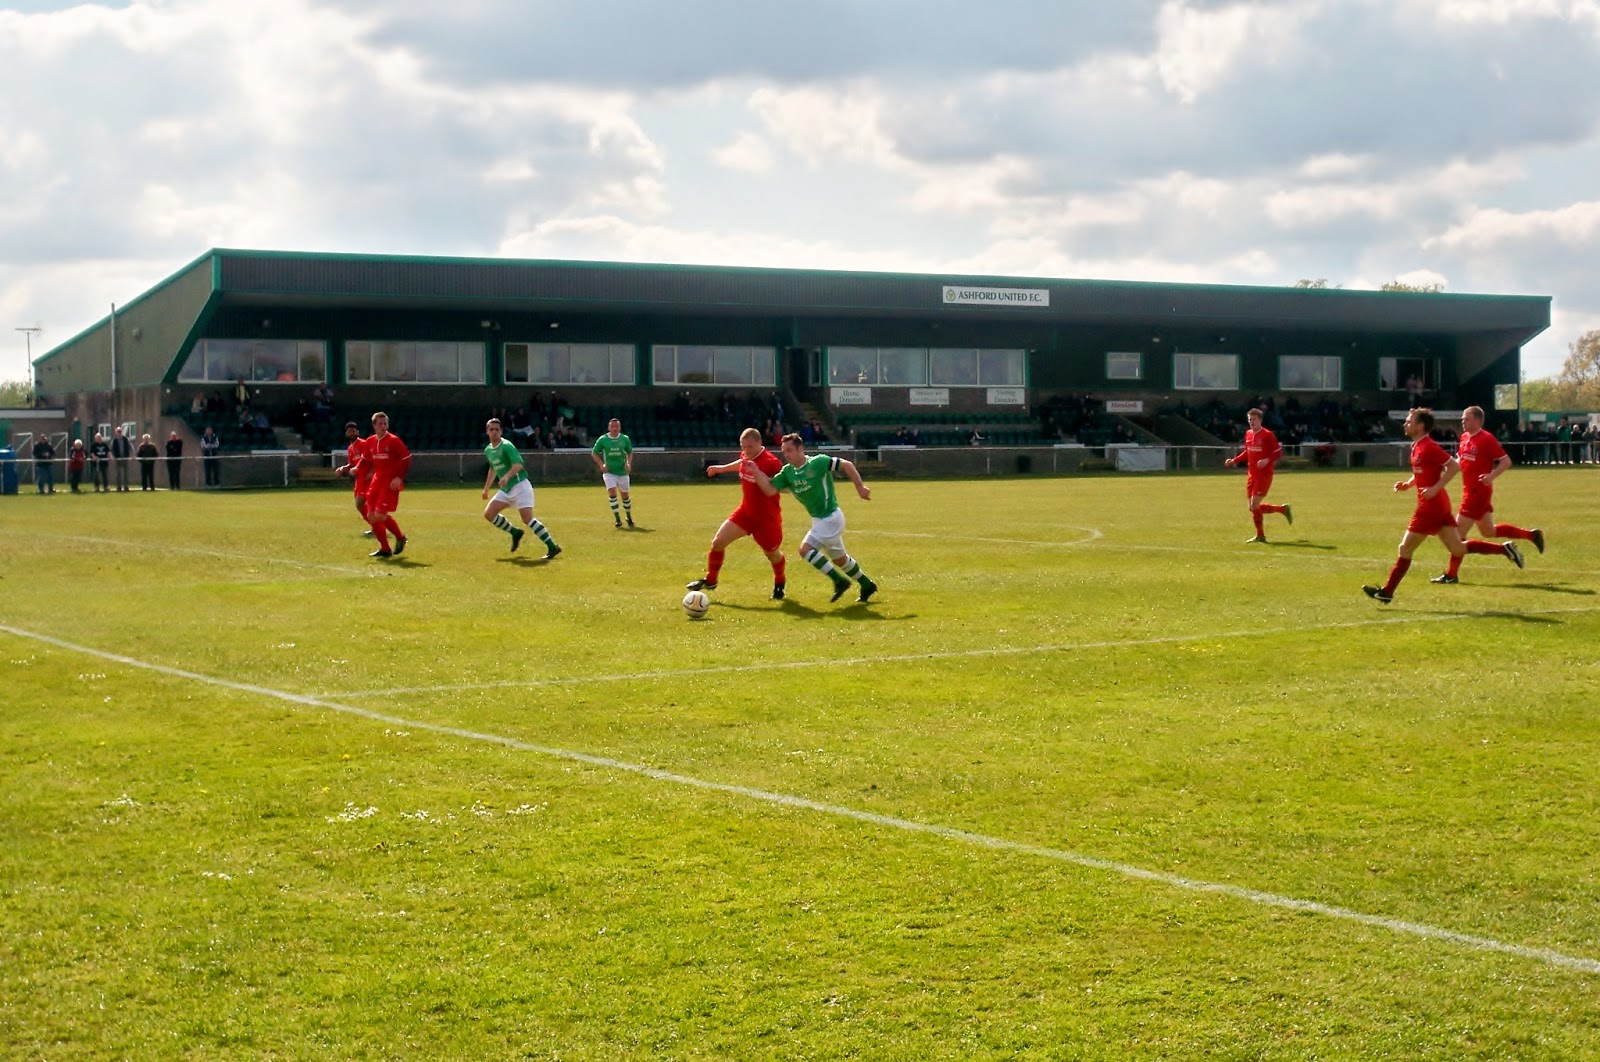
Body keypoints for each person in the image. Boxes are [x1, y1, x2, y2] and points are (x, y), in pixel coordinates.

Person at [1364, 408, 1523, 603]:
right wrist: (1408, 484)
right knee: (1457, 548)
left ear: (1421, 426)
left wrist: (1435, 488)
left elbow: (1453, 466)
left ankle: (1387, 593)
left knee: (1405, 548)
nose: (1406, 423)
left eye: (1409, 420)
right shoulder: (1417, 446)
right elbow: (1424, 472)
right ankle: (1504, 550)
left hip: (1430, 507)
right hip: (1438, 505)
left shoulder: (1428, 446)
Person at [750, 433, 877, 603]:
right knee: (840, 560)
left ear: (800, 449)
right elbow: (770, 490)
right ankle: (867, 584)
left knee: (805, 550)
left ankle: (839, 581)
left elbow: (846, 464)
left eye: (789, 450)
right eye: (784, 451)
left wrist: (860, 487)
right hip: (819, 520)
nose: (786, 455)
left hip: (831, 517)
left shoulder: (817, 462)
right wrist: (756, 472)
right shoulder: (788, 472)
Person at [1430, 405, 1543, 584]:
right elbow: (1461, 459)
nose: (1462, 422)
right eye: (1462, 419)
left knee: (1458, 535)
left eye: (1466, 418)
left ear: (1478, 420)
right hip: (1470, 490)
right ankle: (1530, 535)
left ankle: (1451, 575)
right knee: (1488, 531)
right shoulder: (1465, 437)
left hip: (1478, 492)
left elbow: (1506, 461)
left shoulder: (1486, 439)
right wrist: (1448, 465)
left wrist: (1491, 476)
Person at [687, 427, 788, 600]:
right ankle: (711, 580)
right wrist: (720, 468)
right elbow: (741, 462)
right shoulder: (746, 456)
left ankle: (780, 582)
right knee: (718, 542)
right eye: (743, 447)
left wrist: (761, 475)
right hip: (745, 513)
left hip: (766, 519)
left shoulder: (771, 462)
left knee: (772, 554)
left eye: (749, 447)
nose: (745, 451)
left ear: (759, 443)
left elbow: (784, 487)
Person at [481, 418, 561, 558]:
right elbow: (493, 469)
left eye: (497, 429)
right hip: (507, 490)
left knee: (527, 518)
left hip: (520, 486)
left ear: (501, 431)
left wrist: (506, 476)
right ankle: (515, 532)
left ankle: (552, 547)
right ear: (487, 431)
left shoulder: (506, 445)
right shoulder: (488, 449)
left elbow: (518, 464)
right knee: (489, 514)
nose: (494, 432)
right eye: (491, 429)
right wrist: (486, 489)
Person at [1224, 407, 1293, 543]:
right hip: (1252, 475)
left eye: (1254, 419)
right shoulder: (1248, 434)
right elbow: (1247, 452)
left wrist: (1267, 460)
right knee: (1252, 507)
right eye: (1250, 419)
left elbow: (1278, 453)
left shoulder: (1268, 435)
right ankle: (1282, 509)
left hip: (1264, 475)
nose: (1251, 422)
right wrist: (1234, 460)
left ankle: (1261, 536)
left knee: (1254, 505)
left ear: (1260, 420)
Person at [360, 411, 411, 558]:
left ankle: (400, 538)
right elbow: (365, 460)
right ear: (374, 425)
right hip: (376, 481)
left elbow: (406, 458)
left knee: (380, 516)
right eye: (380, 424)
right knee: (371, 516)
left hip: (389, 483)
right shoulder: (370, 441)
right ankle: (385, 549)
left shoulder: (393, 440)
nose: (383, 426)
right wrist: (356, 468)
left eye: (385, 423)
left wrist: (398, 477)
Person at [590, 417, 635, 528]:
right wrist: (601, 465)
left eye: (617, 426)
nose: (614, 428)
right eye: (612, 426)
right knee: (612, 492)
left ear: (620, 427)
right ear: (609, 427)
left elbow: (630, 452)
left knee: (625, 496)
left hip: (622, 472)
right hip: (609, 472)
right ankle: (617, 519)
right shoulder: (603, 439)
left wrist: (628, 464)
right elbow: (594, 453)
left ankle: (628, 517)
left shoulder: (625, 439)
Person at [333, 422, 375, 535]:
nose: (352, 433)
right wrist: (342, 468)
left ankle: (377, 526)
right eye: (349, 431)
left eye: (354, 431)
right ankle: (376, 526)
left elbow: (374, 458)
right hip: (359, 479)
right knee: (360, 505)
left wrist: (371, 472)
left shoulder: (364, 444)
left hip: (367, 479)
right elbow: (352, 464)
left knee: (361, 504)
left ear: (358, 432)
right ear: (346, 433)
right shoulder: (351, 448)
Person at [109, 426, 133, 492]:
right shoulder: (114, 441)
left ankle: (126, 487)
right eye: (118, 431)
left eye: (120, 431)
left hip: (125, 458)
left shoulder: (126, 439)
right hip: (117, 459)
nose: (119, 433)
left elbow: (130, 447)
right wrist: (112, 456)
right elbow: (111, 450)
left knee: (126, 474)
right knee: (118, 474)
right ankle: (118, 487)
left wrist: (132, 455)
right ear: (116, 432)